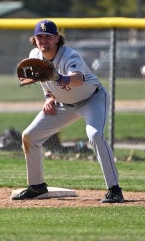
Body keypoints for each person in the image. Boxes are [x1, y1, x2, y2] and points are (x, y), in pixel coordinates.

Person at [12, 19, 124, 204]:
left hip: (92, 99)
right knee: (30, 136)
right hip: (63, 105)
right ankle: (37, 186)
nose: (43, 40)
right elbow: (44, 81)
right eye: (39, 36)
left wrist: (58, 76)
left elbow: (78, 79)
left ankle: (114, 190)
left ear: (57, 38)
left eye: (48, 36)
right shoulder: (35, 55)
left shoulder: (70, 56)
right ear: (34, 39)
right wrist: (49, 97)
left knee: (95, 135)